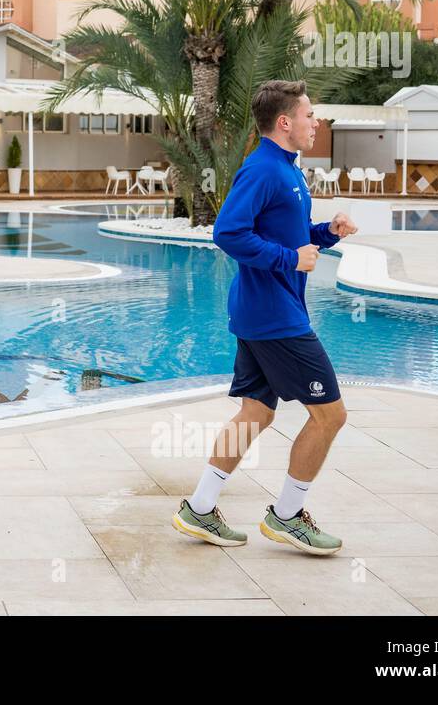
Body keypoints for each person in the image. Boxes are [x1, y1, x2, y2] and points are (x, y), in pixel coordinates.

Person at [172, 79, 358, 556]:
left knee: (256, 411)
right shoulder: (263, 170)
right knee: (330, 415)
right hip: (275, 317)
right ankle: (288, 516)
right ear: (284, 121)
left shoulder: (287, 169)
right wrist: (290, 260)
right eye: (309, 115)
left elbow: (287, 235)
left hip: (263, 312)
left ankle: (199, 507)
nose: (316, 122)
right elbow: (228, 233)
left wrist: (327, 233)